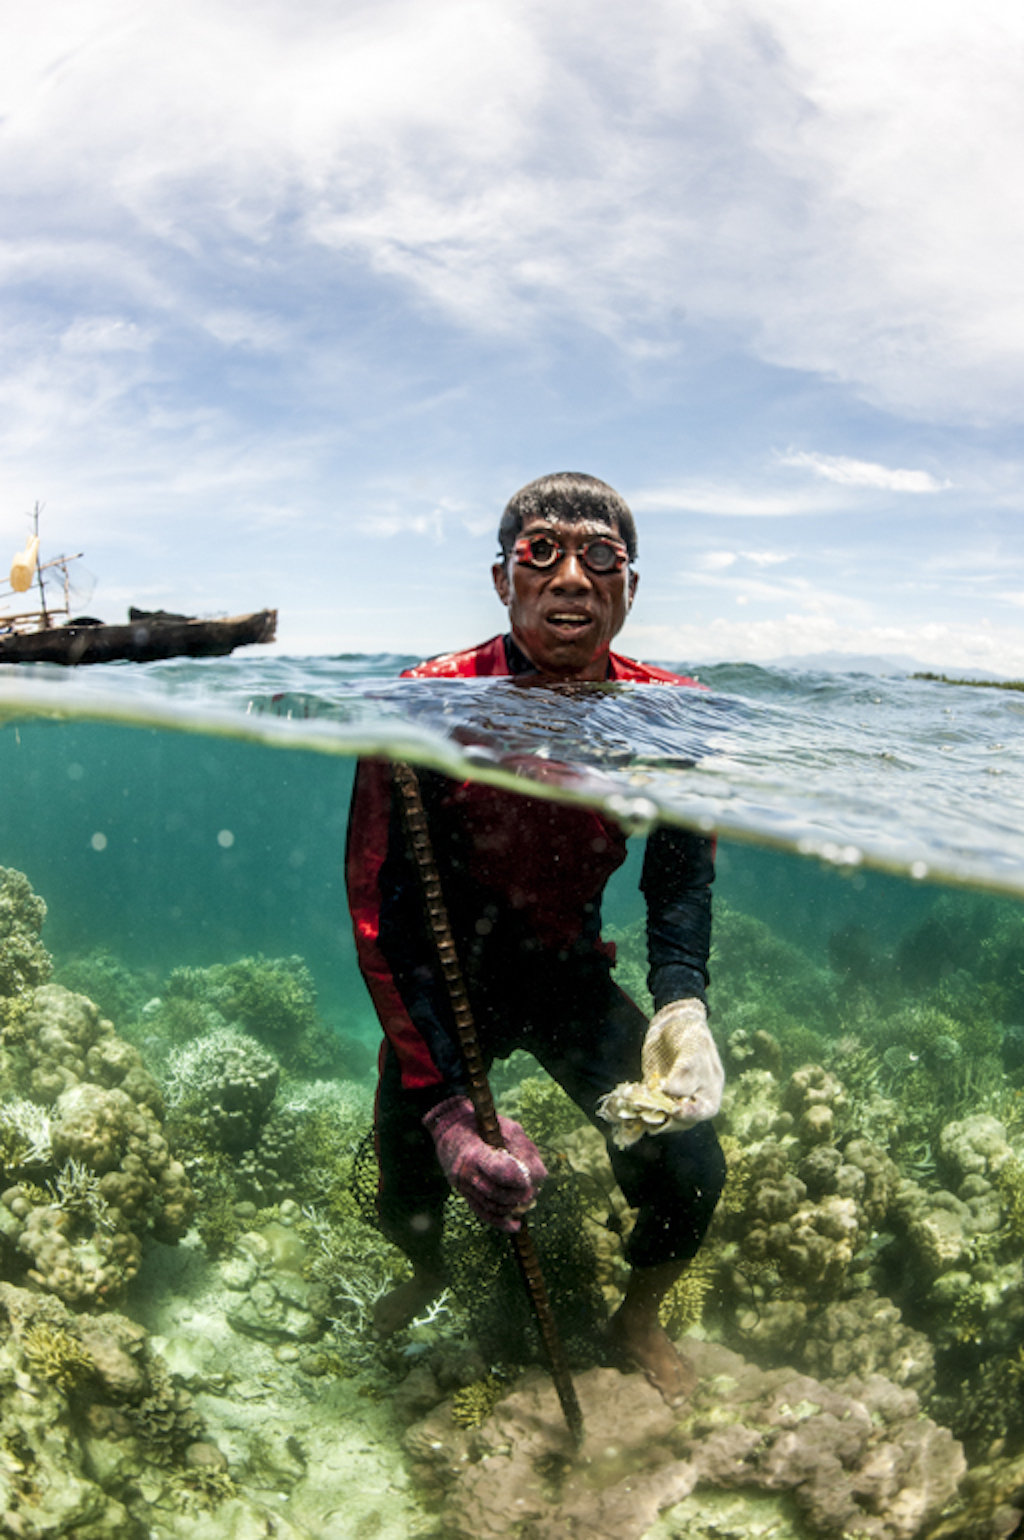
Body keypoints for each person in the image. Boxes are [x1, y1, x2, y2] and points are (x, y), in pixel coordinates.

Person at [345, 471, 726, 1404]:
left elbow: (679, 874)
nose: (571, 578)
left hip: (566, 976)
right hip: (444, 986)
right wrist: (440, 1107)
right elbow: (377, 907)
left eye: (601, 557)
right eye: (540, 553)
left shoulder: (671, 711)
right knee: (403, 1191)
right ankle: (428, 1273)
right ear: (501, 578)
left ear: (630, 587)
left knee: (692, 1166)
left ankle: (637, 1315)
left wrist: (681, 1003)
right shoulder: (424, 703)